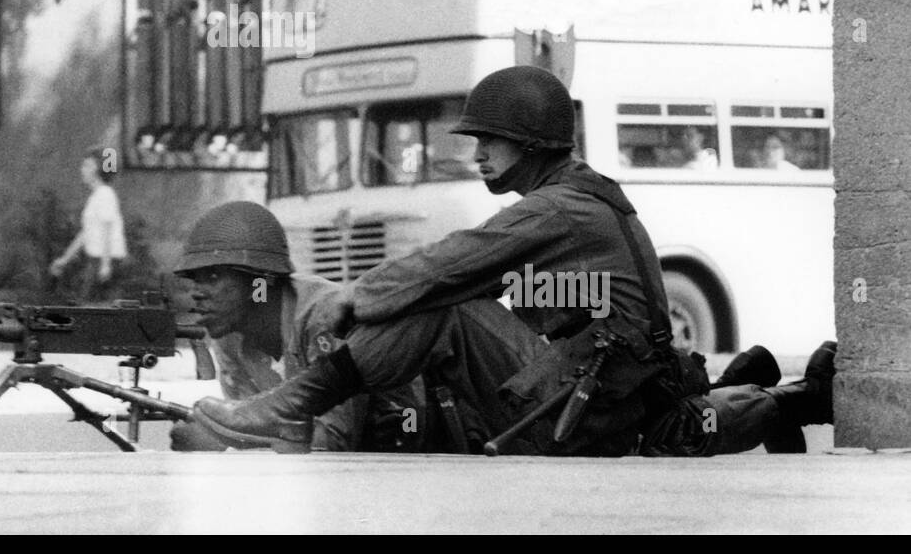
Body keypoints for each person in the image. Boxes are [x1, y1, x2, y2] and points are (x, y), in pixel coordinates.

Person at [189, 66, 835, 457]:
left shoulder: (556, 209)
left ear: (529, 139)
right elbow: (468, 270)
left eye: (487, 139)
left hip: (590, 412)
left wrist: (354, 297)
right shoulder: (569, 200)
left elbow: (453, 261)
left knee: (446, 313)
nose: (477, 153)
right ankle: (285, 405)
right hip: (602, 396)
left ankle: (284, 405)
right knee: (443, 304)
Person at [168, 201, 424, 453]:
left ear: (260, 285)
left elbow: (334, 442)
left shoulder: (325, 318)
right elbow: (244, 424)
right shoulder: (229, 334)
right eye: (194, 279)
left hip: (416, 452)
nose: (197, 292)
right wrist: (223, 434)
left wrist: (223, 440)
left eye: (212, 277)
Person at [48, 149, 127, 300]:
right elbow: (86, 233)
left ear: (97, 169)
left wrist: (105, 265)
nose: (82, 170)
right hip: (97, 261)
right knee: (88, 306)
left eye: (87, 165)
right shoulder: (96, 196)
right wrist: (65, 259)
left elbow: (107, 229)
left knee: (90, 308)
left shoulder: (105, 194)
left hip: (106, 260)